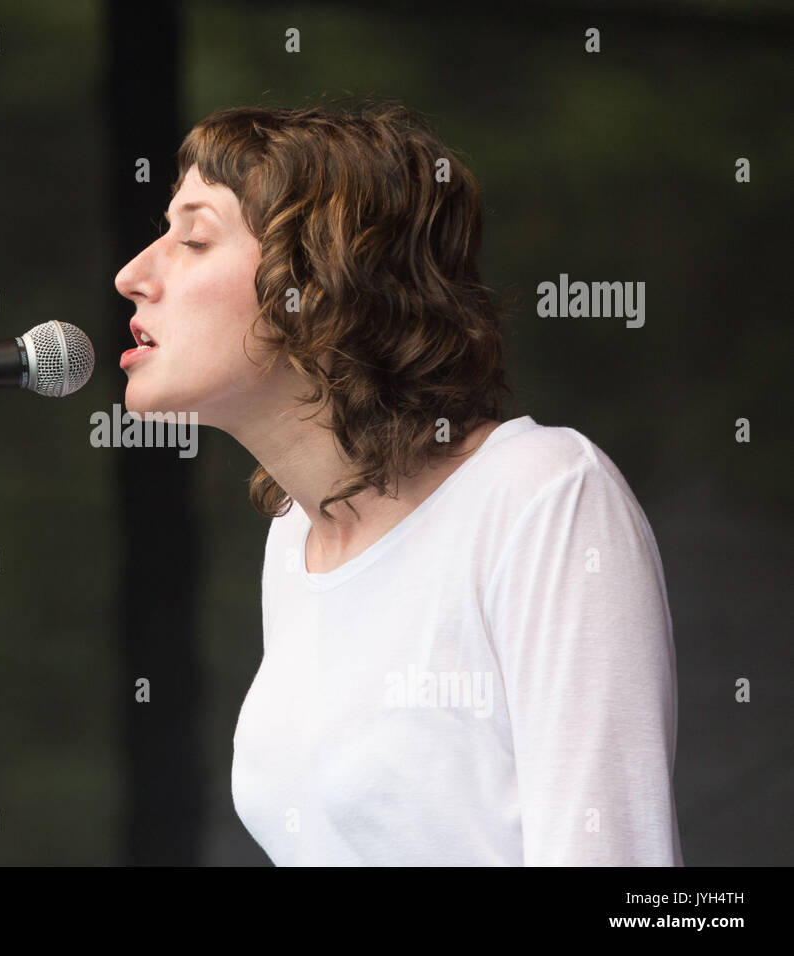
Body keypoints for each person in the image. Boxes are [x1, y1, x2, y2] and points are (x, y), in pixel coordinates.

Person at [113, 100, 682, 866]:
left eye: (195, 238)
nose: (132, 275)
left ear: (317, 286)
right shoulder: (296, 535)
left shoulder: (542, 496)